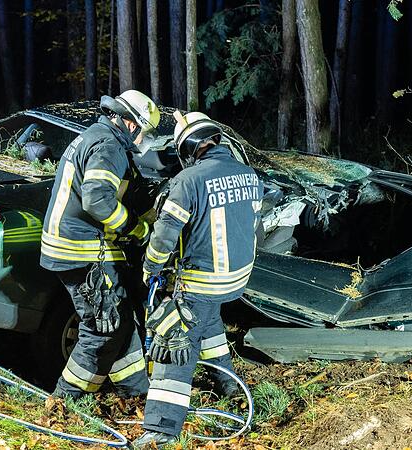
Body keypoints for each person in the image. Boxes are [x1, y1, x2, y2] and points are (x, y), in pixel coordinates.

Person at [132, 112, 263, 447]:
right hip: (237, 280)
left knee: (173, 343)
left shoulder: (187, 181)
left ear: (187, 148)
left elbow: (163, 237)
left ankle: (162, 429)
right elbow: (254, 227)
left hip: (203, 283)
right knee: (206, 321)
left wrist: (150, 269)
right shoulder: (249, 175)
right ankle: (228, 384)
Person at [40, 90, 160, 398]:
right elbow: (97, 199)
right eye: (144, 131)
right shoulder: (108, 146)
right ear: (131, 123)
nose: (143, 139)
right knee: (100, 330)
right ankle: (64, 401)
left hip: (76, 247)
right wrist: (136, 228)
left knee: (119, 325)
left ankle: (136, 394)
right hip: (82, 252)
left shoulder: (95, 135)